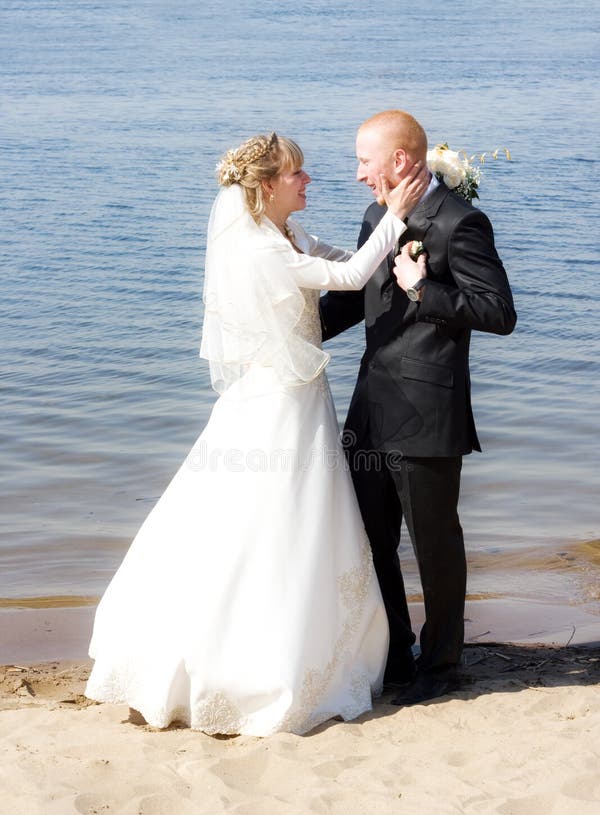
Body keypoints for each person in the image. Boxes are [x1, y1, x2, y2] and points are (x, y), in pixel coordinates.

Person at [85, 132, 429, 736]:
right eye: (297, 174)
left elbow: (344, 257)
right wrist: (396, 214)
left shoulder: (283, 234)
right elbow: (348, 275)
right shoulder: (256, 249)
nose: (308, 181)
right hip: (275, 401)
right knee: (268, 516)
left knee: (301, 515)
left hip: (298, 395)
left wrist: (395, 229)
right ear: (267, 185)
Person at [319, 110, 516, 706]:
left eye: (364, 160)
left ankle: (443, 665)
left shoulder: (460, 222)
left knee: (434, 544)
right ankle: (397, 654)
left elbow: (499, 313)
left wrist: (422, 289)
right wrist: (293, 332)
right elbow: (359, 299)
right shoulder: (378, 216)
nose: (358, 175)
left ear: (401, 160)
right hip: (370, 408)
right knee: (368, 535)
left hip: (427, 410)